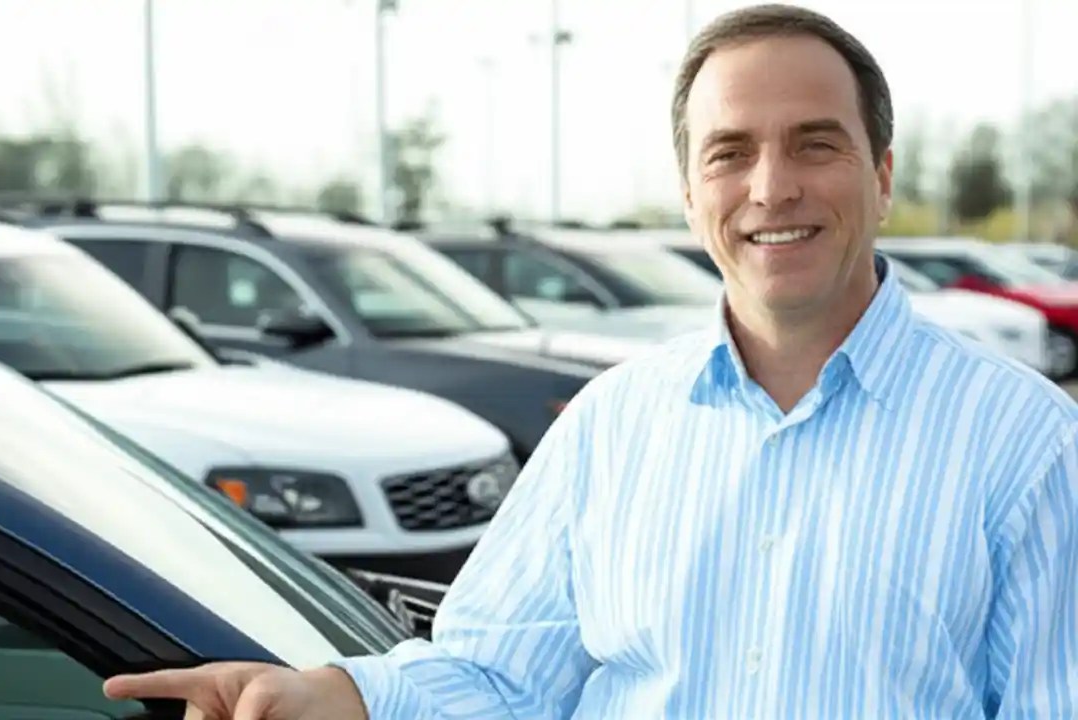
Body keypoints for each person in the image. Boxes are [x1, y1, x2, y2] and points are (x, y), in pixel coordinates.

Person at [103, 4, 1078, 718]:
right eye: (728, 152)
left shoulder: (1025, 442)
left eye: (813, 145)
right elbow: (499, 674)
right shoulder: (611, 427)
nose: (770, 187)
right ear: (690, 192)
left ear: (881, 173)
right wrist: (331, 695)